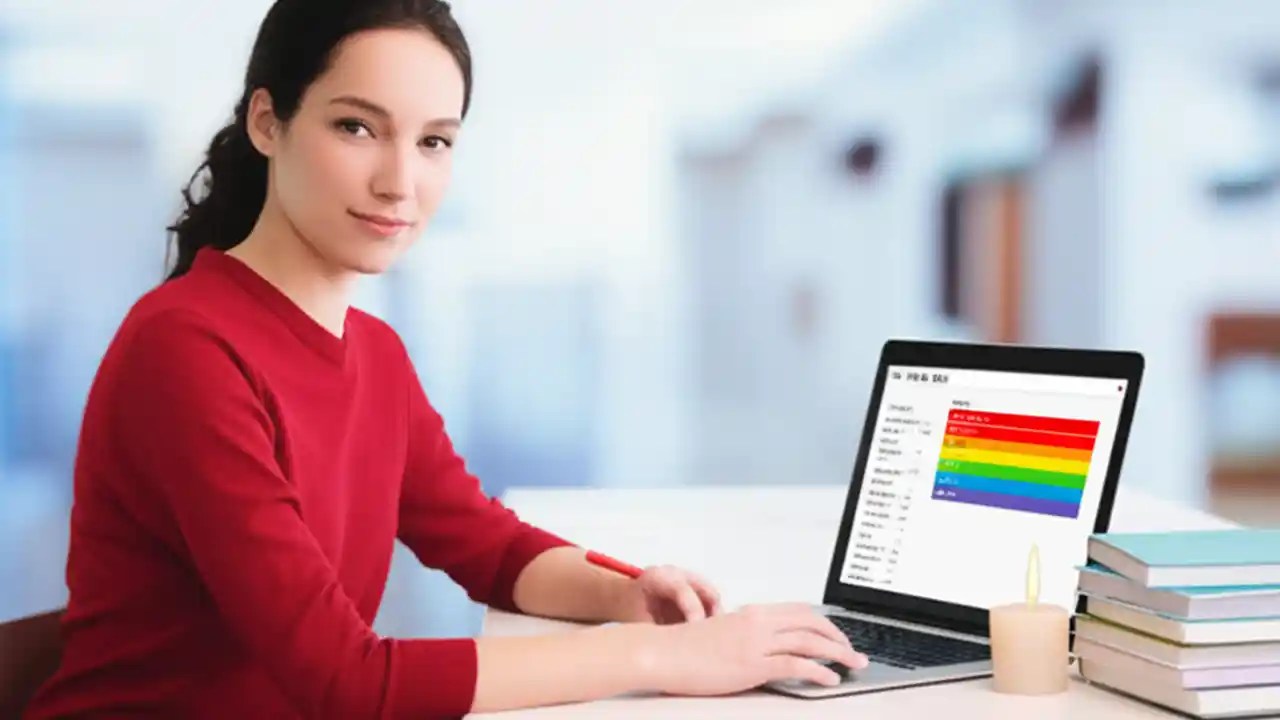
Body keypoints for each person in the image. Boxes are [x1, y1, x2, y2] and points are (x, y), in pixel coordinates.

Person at [23, 1, 866, 717]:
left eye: (434, 142)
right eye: (358, 127)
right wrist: (670, 662)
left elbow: (489, 550)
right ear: (268, 121)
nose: (400, 181)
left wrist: (628, 595)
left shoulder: (374, 354)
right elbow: (343, 676)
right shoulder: (187, 348)